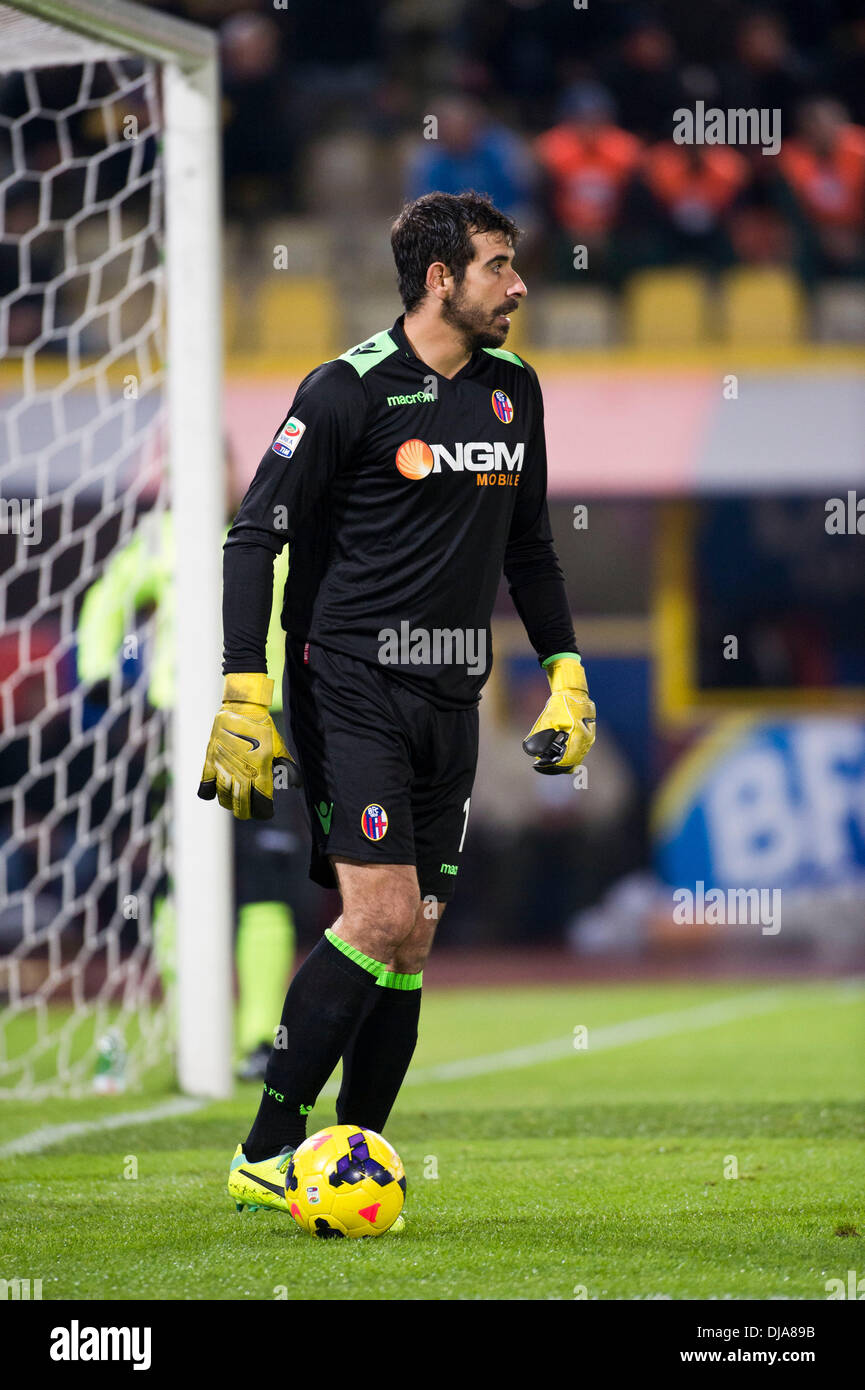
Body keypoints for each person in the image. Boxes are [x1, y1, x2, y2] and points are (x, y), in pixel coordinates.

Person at [199, 190, 596, 1219]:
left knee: (413, 939)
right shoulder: (344, 390)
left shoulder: (515, 391)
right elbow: (254, 538)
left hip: (453, 696)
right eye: (499, 265)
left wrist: (565, 668)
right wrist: (247, 686)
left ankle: (358, 1155)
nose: (518, 285)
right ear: (439, 279)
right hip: (351, 687)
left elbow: (531, 550)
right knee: (375, 916)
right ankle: (266, 1144)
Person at [76, 508, 299, 1081]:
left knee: (262, 875)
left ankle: (257, 1036)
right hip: (179, 721)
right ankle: (189, 1028)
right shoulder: (161, 537)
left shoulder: (279, 533)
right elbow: (106, 598)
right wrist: (98, 667)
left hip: (256, 715)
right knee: (178, 879)